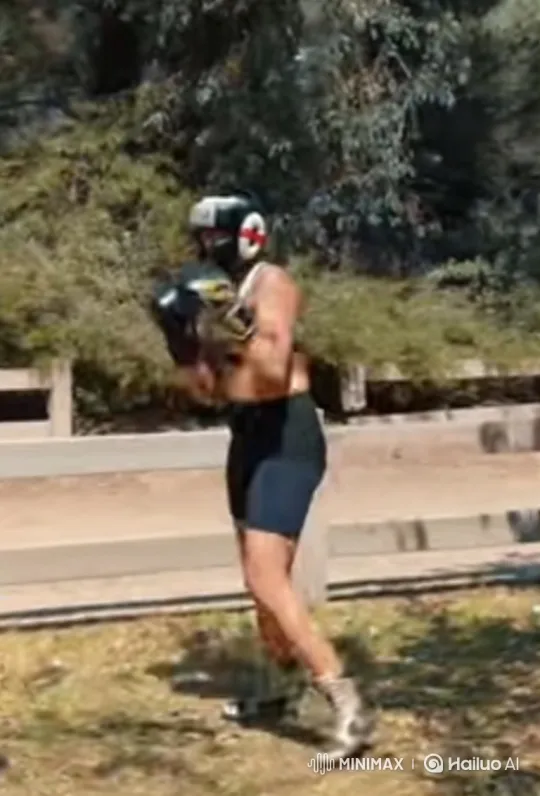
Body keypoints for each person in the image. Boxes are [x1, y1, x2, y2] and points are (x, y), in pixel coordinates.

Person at [152, 191, 373, 761]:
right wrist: (178, 339)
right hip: (246, 434)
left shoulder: (271, 284)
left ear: (243, 236)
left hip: (286, 435)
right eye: (198, 237)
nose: (203, 247)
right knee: (263, 582)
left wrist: (233, 316)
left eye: (211, 237)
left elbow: (273, 372)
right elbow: (206, 391)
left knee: (264, 574)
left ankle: (346, 703)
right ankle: (281, 687)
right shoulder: (214, 291)